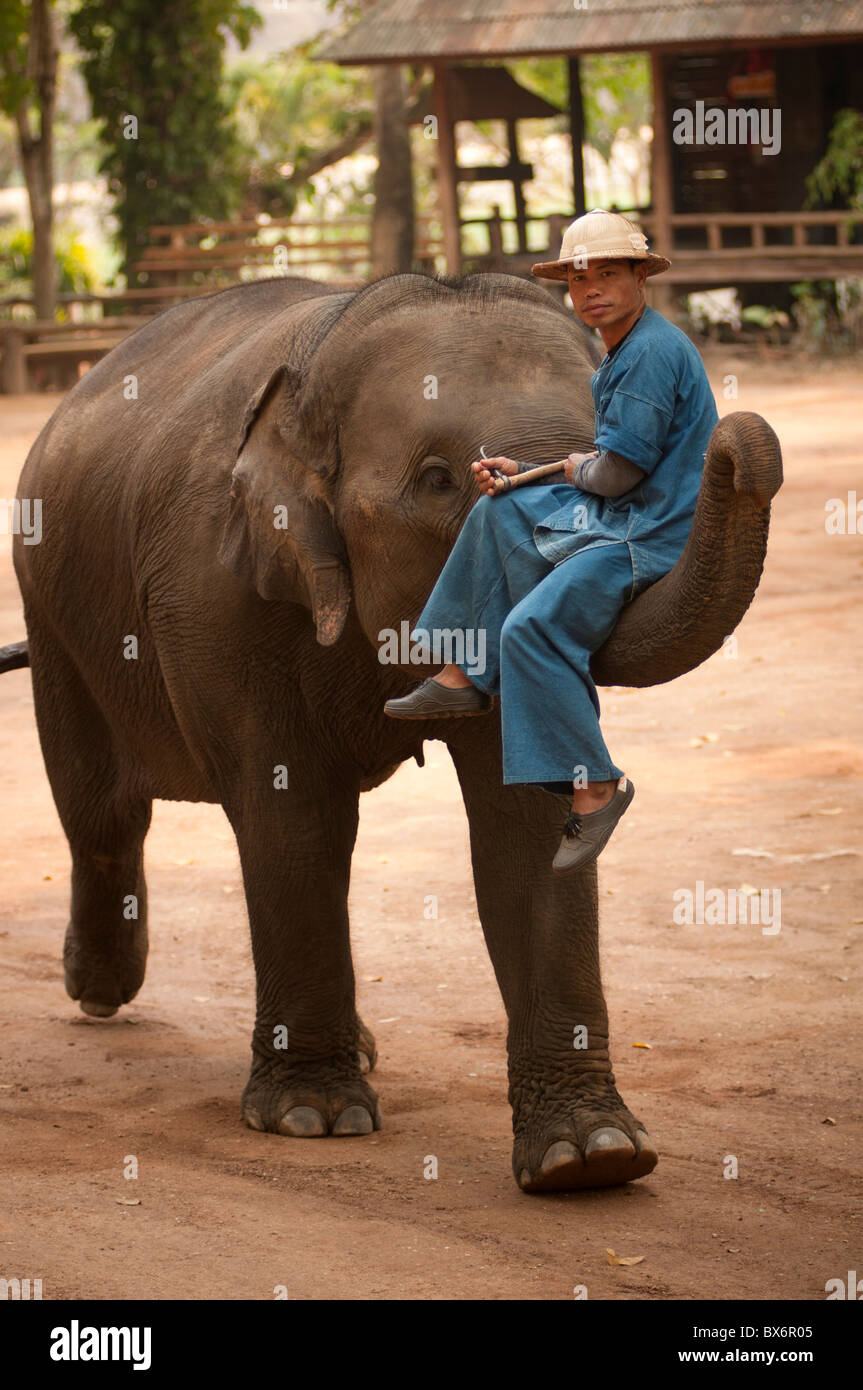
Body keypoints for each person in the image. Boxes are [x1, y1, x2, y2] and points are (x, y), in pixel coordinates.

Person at [384, 209, 719, 874]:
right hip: (622, 509)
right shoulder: (625, 346)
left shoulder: (651, 354)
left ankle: (596, 783)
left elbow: (618, 472)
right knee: (497, 510)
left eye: (607, 273)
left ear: (639, 277)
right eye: (577, 276)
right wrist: (532, 471)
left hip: (643, 534)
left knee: (530, 630)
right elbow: (614, 461)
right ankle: (460, 672)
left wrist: (575, 468)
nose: (590, 287)